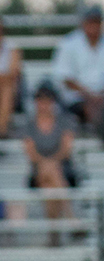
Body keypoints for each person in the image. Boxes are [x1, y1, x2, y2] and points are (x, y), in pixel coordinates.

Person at [18, 83, 78, 245]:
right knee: (49, 171)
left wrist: (49, 163)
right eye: (40, 100)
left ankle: (53, 234)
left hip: (59, 171)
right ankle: (71, 219)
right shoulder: (30, 124)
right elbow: (30, 153)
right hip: (41, 171)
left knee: (49, 183)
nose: (44, 105)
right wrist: (48, 163)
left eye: (47, 100)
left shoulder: (63, 121)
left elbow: (66, 150)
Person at [53, 6, 104, 135]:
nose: (94, 26)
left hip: (100, 98)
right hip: (76, 99)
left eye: (96, 22)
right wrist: (90, 96)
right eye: (91, 22)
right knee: (94, 109)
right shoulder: (69, 43)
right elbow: (65, 79)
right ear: (83, 23)